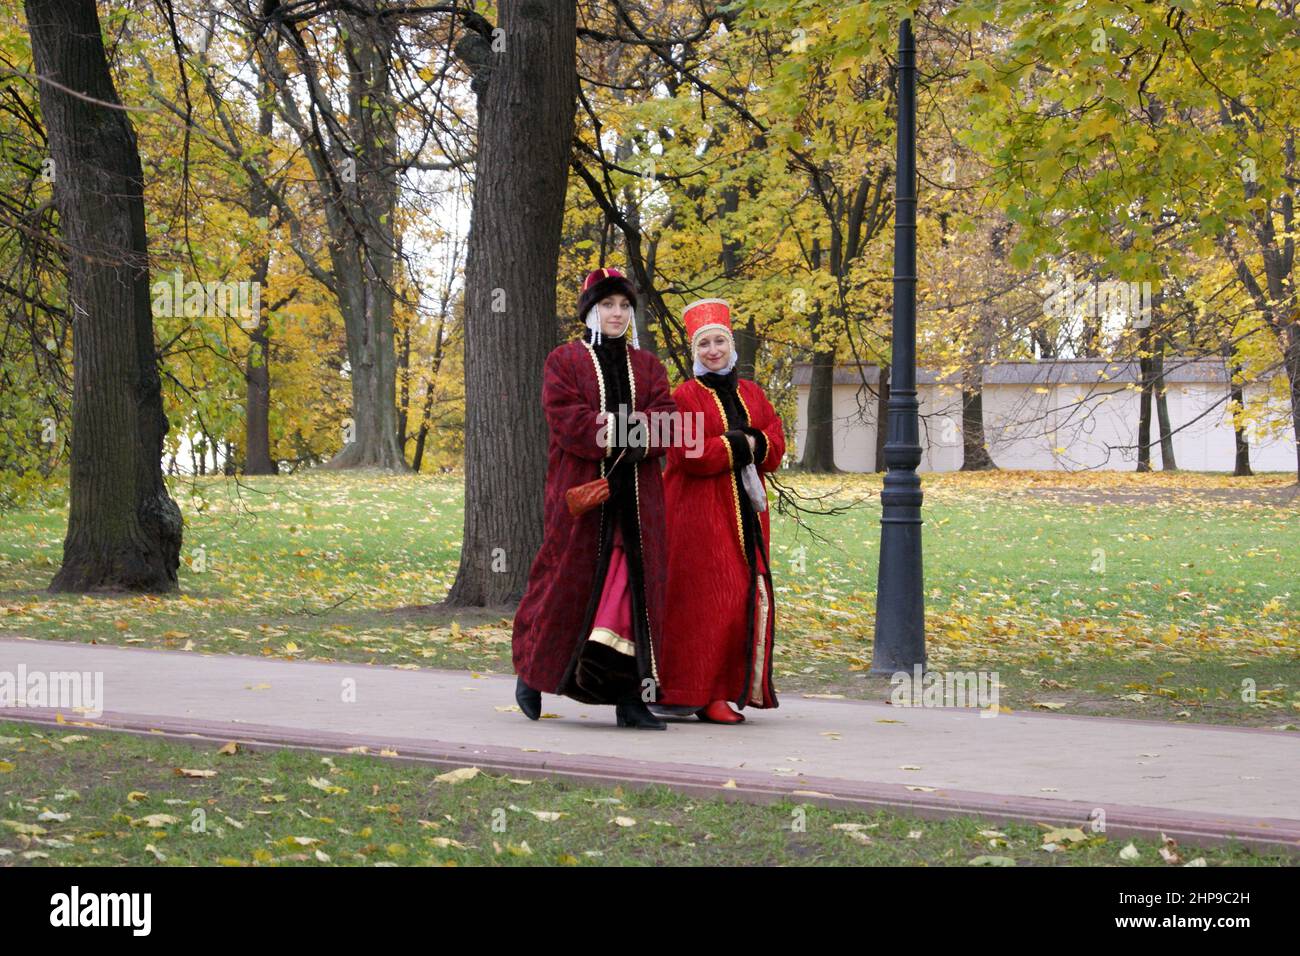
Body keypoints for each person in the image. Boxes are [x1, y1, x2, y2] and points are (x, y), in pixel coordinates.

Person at [511, 268, 678, 729]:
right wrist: (633, 431)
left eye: (624, 306)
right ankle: (533, 673)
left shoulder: (649, 366)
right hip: (583, 497)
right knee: (563, 586)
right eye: (608, 306)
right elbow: (570, 423)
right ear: (591, 310)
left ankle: (629, 698)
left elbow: (667, 422)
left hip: (639, 503)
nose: (618, 314)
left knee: (631, 598)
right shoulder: (564, 361)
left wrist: (627, 432)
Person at [657, 299, 786, 724]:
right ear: (695, 351)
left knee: (742, 597)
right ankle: (697, 692)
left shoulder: (753, 392)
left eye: (719, 341)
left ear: (731, 345)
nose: (712, 350)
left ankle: (727, 690)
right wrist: (746, 442)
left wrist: (750, 443)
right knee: (709, 599)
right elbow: (692, 454)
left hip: (747, 516)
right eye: (704, 344)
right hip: (697, 516)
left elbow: (775, 447)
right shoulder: (684, 395)